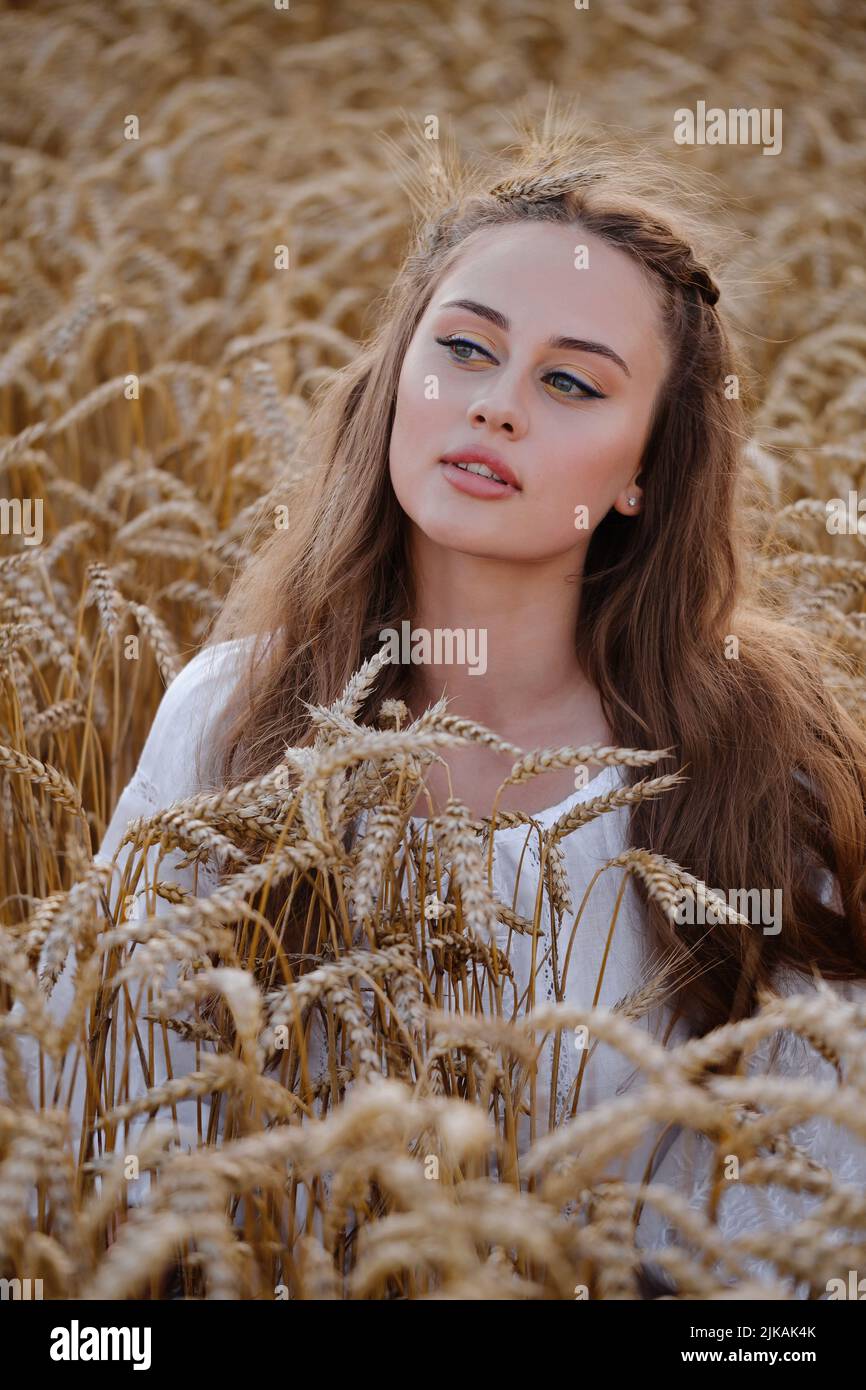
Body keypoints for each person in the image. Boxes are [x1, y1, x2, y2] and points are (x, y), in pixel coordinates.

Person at [14, 131, 866, 1296]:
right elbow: (110, 1119)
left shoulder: (761, 778)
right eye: (462, 350)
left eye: (569, 381)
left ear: (644, 474)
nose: (495, 407)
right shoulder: (232, 712)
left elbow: (789, 1246)